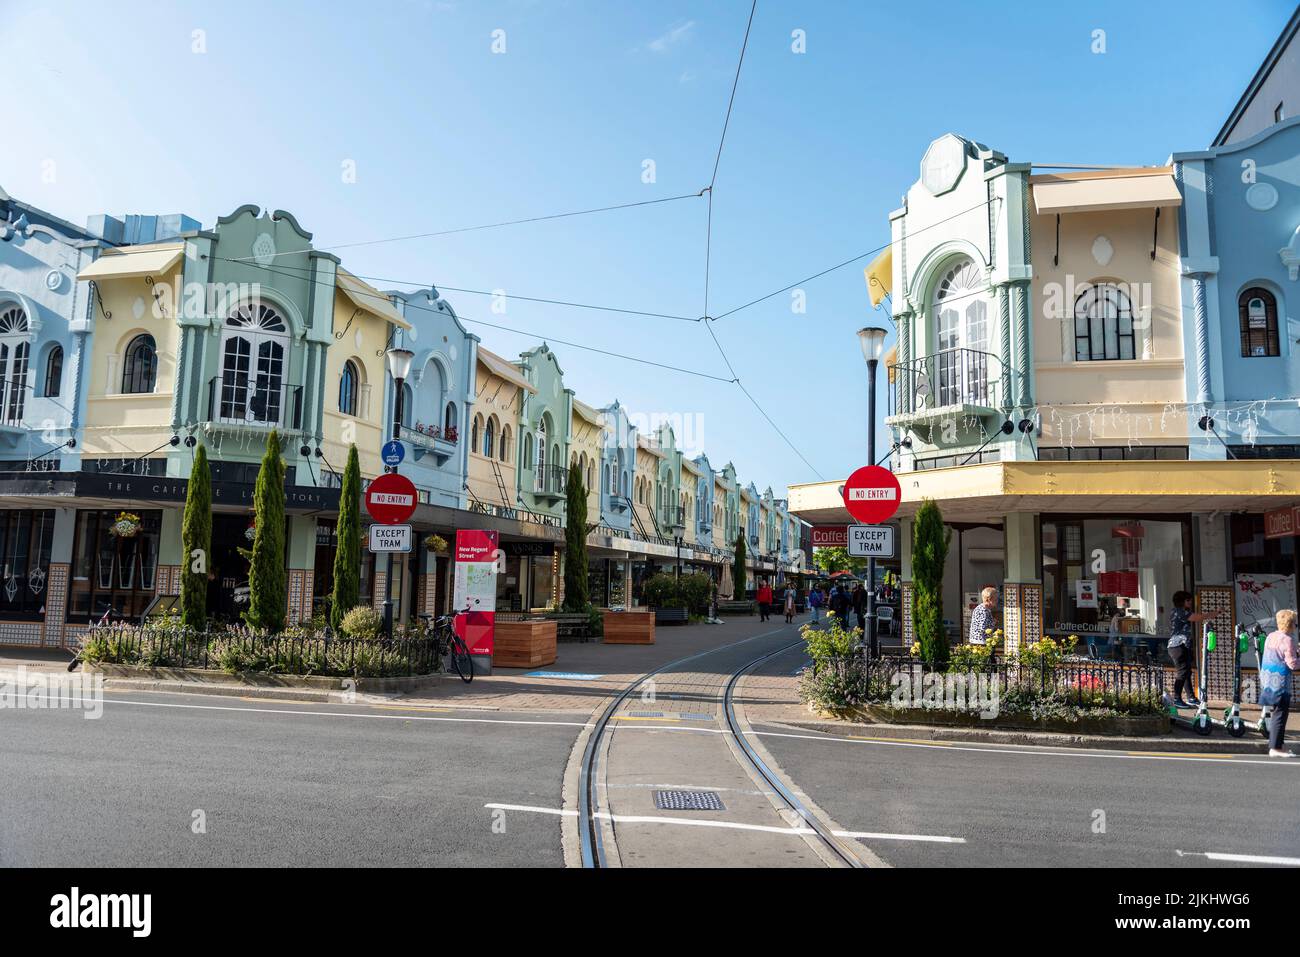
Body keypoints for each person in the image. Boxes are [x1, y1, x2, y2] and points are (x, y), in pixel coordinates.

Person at [1259, 608, 1300, 757]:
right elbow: (1293, 664)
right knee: (1280, 714)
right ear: (1290, 624)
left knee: (1278, 712)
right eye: (1295, 623)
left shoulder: (1271, 636)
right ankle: (1275, 748)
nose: (1296, 626)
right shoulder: (1288, 640)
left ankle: (1279, 746)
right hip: (1281, 681)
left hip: (1268, 680)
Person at [1168, 591, 1208, 708]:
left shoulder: (1178, 611)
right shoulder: (1180, 612)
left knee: (1187, 672)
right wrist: (1215, 613)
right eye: (1188, 600)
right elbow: (1198, 617)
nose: (1190, 602)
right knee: (1182, 672)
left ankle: (1190, 697)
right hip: (1178, 645)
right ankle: (1177, 698)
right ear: (1182, 601)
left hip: (1181, 646)